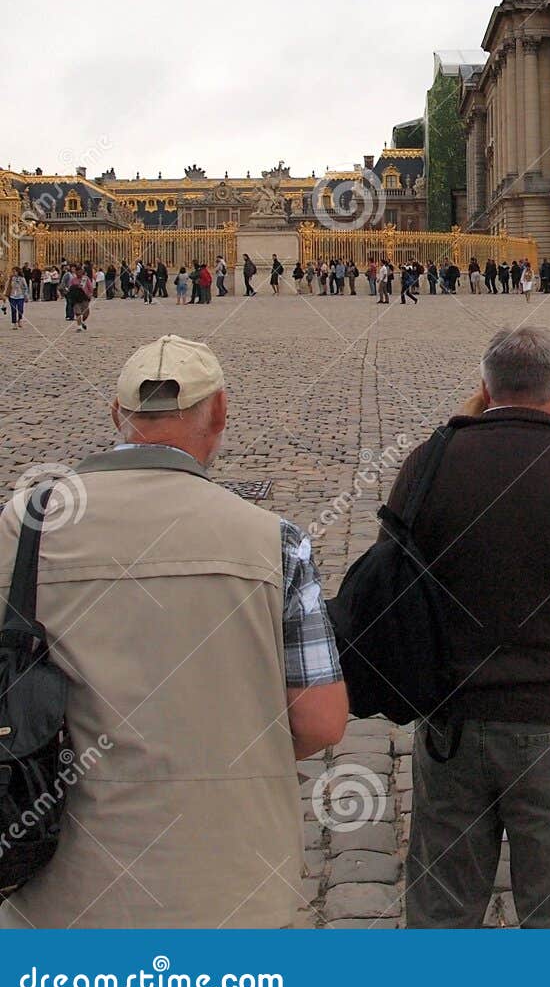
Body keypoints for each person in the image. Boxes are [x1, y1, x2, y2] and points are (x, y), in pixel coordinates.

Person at [0, 336, 348, 927]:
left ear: (117, 416)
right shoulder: (274, 539)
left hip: (64, 891)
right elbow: (319, 721)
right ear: (220, 413)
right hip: (230, 883)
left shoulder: (22, 528)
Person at [394, 327, 550, 928]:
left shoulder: (428, 463)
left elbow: (393, 600)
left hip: (451, 722)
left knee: (441, 911)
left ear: (484, 387)